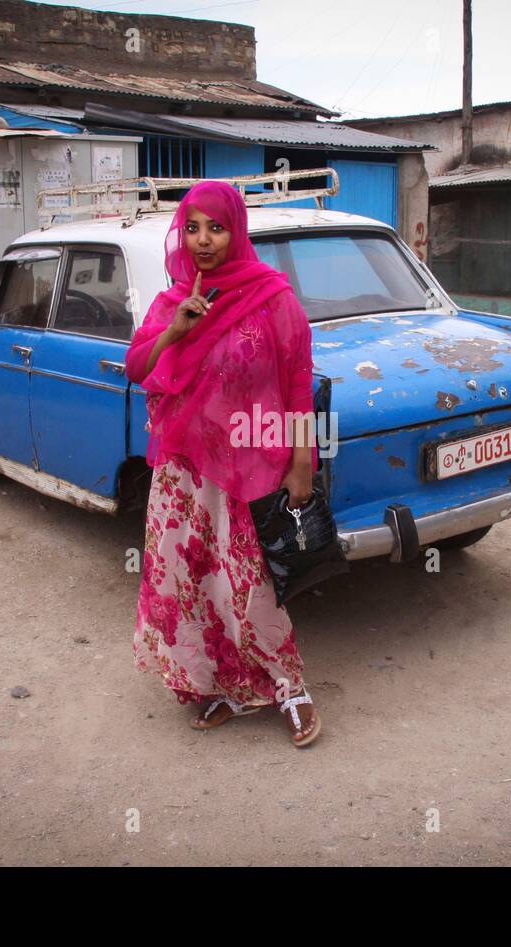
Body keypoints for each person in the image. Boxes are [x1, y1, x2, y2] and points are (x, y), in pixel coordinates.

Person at [123, 181, 322, 748]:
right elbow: (137, 367)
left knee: (250, 584)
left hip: (250, 468)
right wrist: (175, 333)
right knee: (192, 581)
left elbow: (297, 383)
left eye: (216, 227)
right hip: (184, 473)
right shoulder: (172, 302)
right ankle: (216, 686)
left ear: (237, 232)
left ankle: (289, 686)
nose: (204, 240)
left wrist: (301, 462)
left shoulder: (272, 298)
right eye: (193, 228)